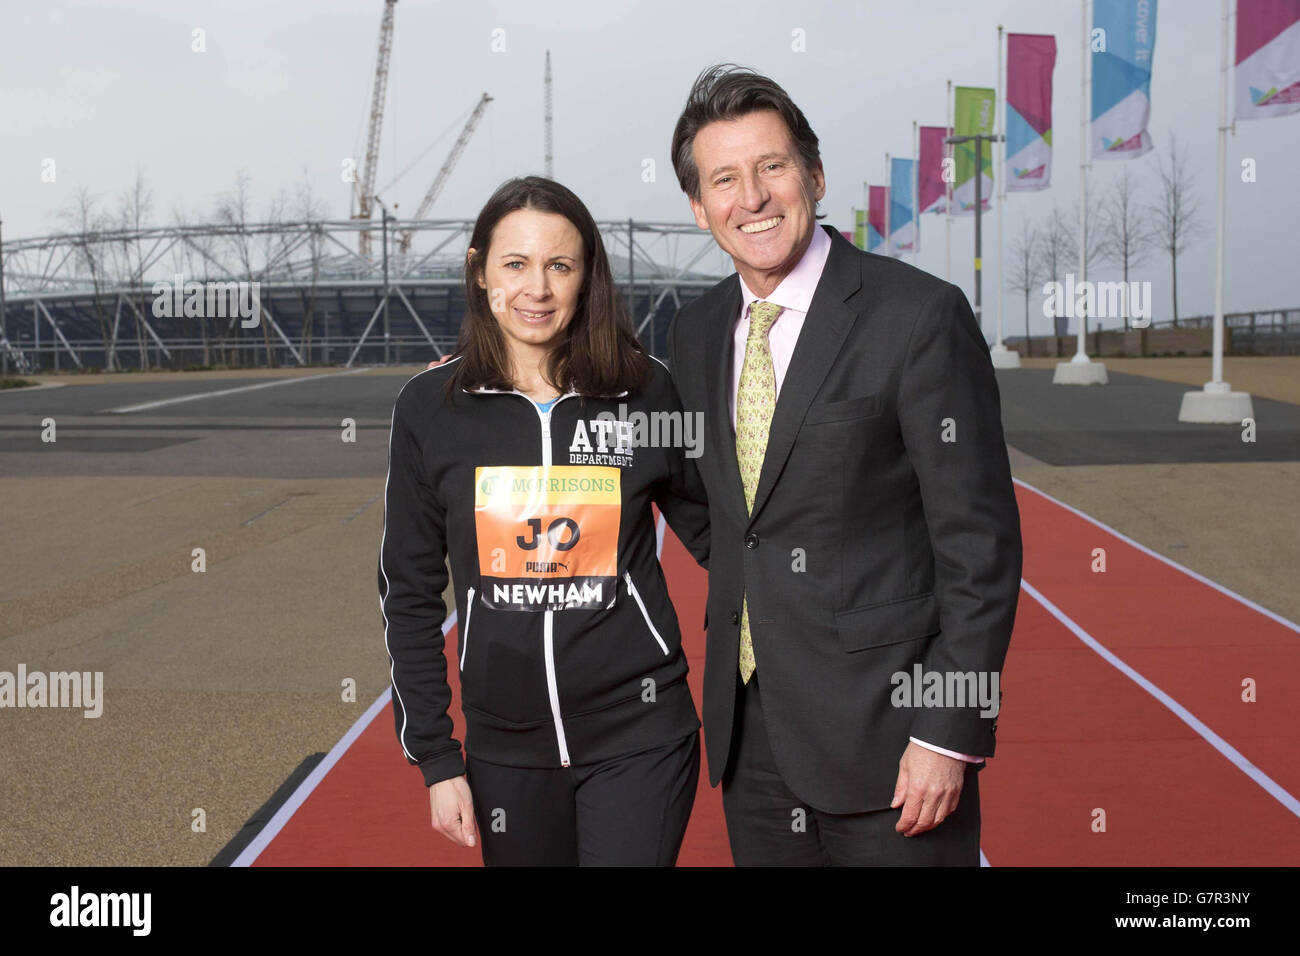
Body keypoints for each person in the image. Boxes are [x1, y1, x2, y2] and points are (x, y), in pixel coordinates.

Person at [665, 64, 1023, 865]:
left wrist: (947, 730)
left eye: (772, 168)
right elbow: (710, 503)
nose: (751, 197)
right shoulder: (695, 334)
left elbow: (981, 547)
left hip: (892, 742)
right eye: (724, 179)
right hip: (749, 740)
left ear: (815, 176)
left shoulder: (918, 317)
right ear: (699, 208)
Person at [379, 175, 710, 866]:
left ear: (588, 276)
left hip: (640, 736)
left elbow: (724, 538)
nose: (538, 289)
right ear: (479, 271)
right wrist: (437, 758)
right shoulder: (428, 408)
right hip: (506, 751)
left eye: (560, 265)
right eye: (515, 264)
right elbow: (407, 592)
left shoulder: (646, 391)